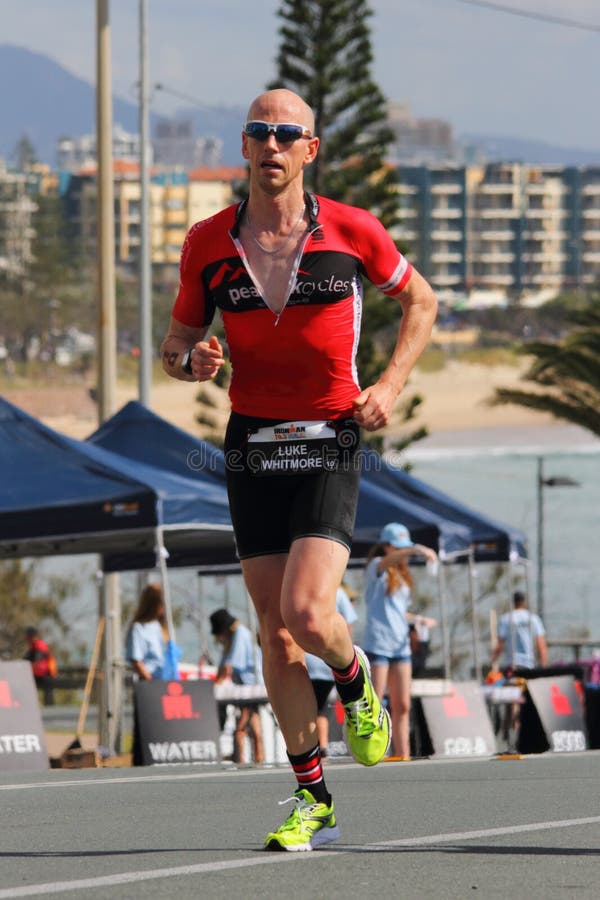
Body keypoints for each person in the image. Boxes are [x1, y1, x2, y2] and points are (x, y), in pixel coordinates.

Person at [160, 88, 438, 851]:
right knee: (275, 634)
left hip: (331, 436)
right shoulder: (208, 242)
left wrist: (387, 387)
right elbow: (174, 347)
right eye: (260, 133)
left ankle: (357, 687)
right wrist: (195, 361)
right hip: (253, 443)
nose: (272, 146)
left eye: (288, 134)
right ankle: (312, 795)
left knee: (310, 614)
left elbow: (421, 300)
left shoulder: (352, 229)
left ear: (309, 150)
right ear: (244, 148)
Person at [362, 523, 438, 760]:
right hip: (378, 644)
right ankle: (374, 751)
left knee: (402, 704)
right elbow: (388, 561)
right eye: (399, 548)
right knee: (376, 702)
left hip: (399, 644)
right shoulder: (377, 566)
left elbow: (398, 611)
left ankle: (402, 753)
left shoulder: (402, 575)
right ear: (387, 546)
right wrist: (415, 549)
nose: (403, 553)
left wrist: (419, 619)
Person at [305, 584, 358, 759]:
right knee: (322, 708)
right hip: (325, 663)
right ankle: (323, 748)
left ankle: (321, 747)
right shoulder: (338, 592)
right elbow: (348, 627)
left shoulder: (335, 592)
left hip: (318, 664)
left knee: (317, 709)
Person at [210, 607, 264, 765]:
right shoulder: (235, 637)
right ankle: (258, 755)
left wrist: (216, 686)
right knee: (252, 716)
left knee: (242, 724)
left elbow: (229, 666)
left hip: (250, 685)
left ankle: (241, 756)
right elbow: (224, 666)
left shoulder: (240, 635)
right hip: (246, 685)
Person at [491, 590, 548, 673]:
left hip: (511, 664)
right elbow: (541, 644)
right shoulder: (533, 618)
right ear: (524, 602)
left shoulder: (506, 618)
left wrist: (493, 660)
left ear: (513, 602)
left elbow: (500, 645)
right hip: (529, 663)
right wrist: (544, 666)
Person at [125, 583, 168, 681]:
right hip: (149, 684)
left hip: (166, 682)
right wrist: (150, 681)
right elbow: (136, 661)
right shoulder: (138, 628)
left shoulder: (161, 627)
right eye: (161, 603)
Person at [23, 626, 57, 706]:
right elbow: (26, 658)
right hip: (40, 675)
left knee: (47, 692)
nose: (27, 639)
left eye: (28, 636)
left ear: (32, 636)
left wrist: (31, 665)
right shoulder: (34, 646)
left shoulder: (39, 645)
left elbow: (37, 660)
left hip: (46, 675)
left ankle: (48, 709)